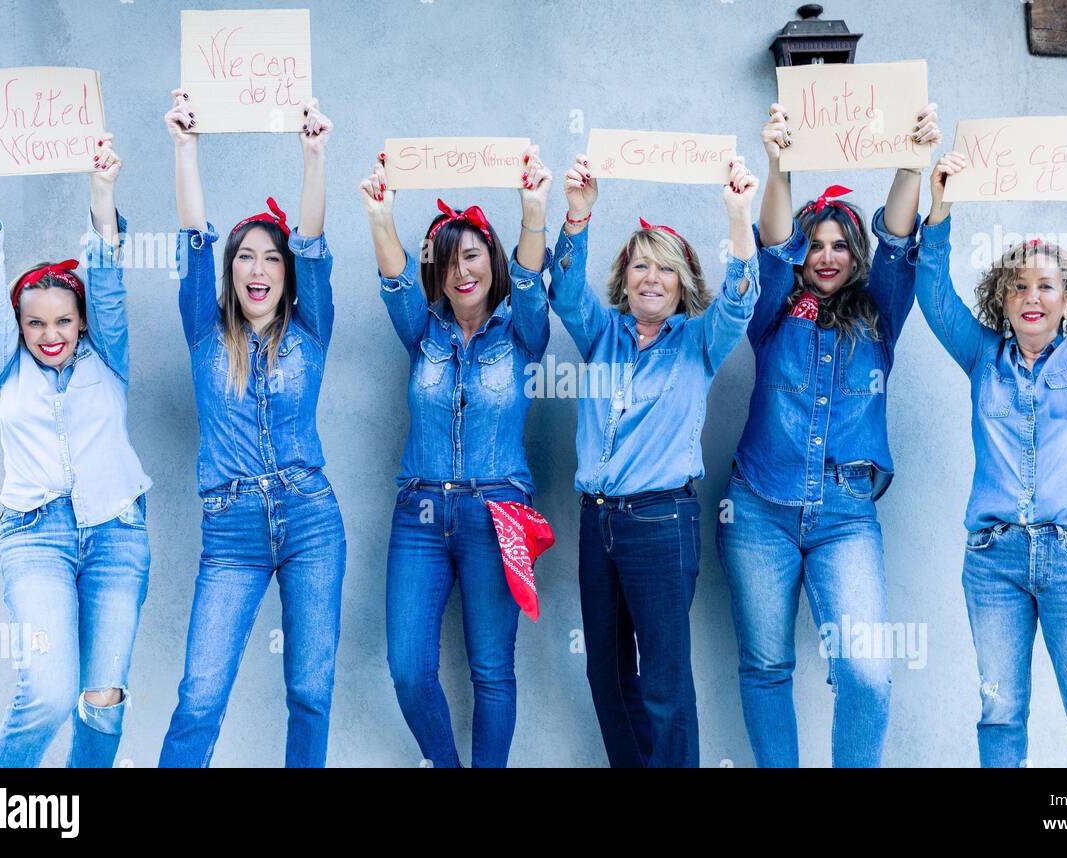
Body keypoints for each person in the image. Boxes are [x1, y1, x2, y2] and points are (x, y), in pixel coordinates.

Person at [916, 144, 1067, 767]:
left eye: (1046, 285)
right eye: (1019, 285)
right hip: (994, 560)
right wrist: (940, 206)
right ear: (1003, 296)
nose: (1032, 296)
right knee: (1000, 716)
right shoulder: (982, 360)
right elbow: (933, 294)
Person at [716, 103, 941, 767]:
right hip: (758, 509)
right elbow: (773, 247)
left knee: (868, 673)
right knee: (765, 667)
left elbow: (900, 245)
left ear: (856, 256)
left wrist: (911, 163)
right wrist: (778, 164)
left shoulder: (881, 315)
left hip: (845, 516)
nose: (825, 255)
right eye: (816, 244)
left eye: (840, 244)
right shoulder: (770, 312)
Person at [549, 152, 759, 767]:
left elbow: (741, 301)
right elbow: (563, 288)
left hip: (662, 523)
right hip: (598, 520)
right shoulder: (600, 332)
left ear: (682, 282)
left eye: (664, 270)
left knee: (664, 683)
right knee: (607, 675)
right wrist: (578, 217)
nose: (651, 278)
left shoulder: (699, 341)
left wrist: (738, 215)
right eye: (641, 265)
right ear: (624, 275)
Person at [158, 91, 347, 768]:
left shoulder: (311, 328)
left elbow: (314, 241)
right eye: (245, 257)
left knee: (309, 691)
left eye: (271, 257)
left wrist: (314, 153)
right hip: (231, 530)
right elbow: (193, 239)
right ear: (231, 271)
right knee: (200, 696)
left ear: (285, 272)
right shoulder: (205, 334)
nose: (258, 268)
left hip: (311, 521)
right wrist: (186, 147)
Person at [0, 134, 151, 767]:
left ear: (82, 323)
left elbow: (110, 281)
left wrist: (102, 190)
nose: (50, 334)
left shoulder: (108, 359)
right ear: (20, 329)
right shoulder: (6, 368)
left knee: (102, 699)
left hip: (116, 533)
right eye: (35, 323)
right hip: (35, 535)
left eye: (63, 321)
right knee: (48, 693)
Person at [359, 147, 553, 768]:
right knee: (408, 668)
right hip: (418, 513)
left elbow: (529, 278)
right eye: (448, 262)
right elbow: (393, 280)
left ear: (491, 261)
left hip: (502, 514)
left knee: (492, 671)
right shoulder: (424, 332)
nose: (461, 271)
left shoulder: (524, 331)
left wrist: (532, 212)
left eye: (471, 256)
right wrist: (381, 218)